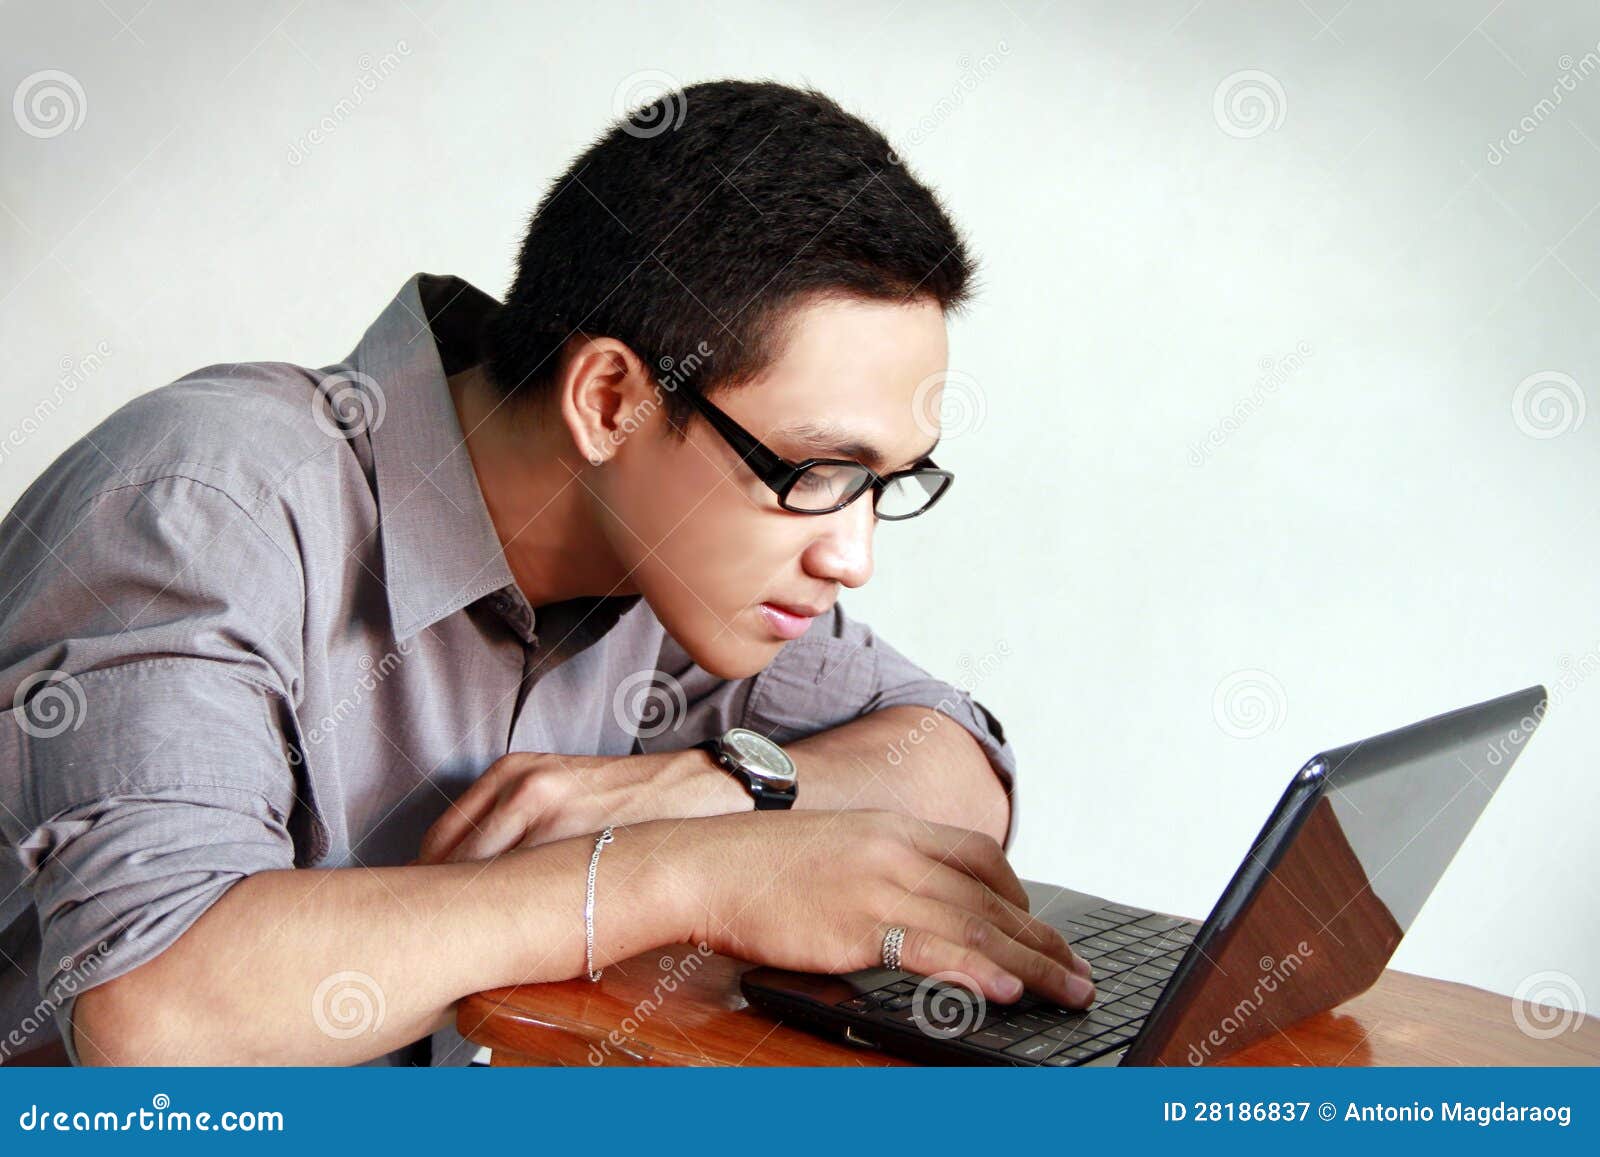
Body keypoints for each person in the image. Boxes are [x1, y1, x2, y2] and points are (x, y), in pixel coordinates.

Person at [0, 79, 1092, 1067]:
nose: (849, 553)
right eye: (816, 472)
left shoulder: (674, 564)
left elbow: (955, 766)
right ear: (611, 400)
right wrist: (687, 870)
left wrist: (702, 791)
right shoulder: (201, 503)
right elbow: (152, 1010)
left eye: (886, 482)